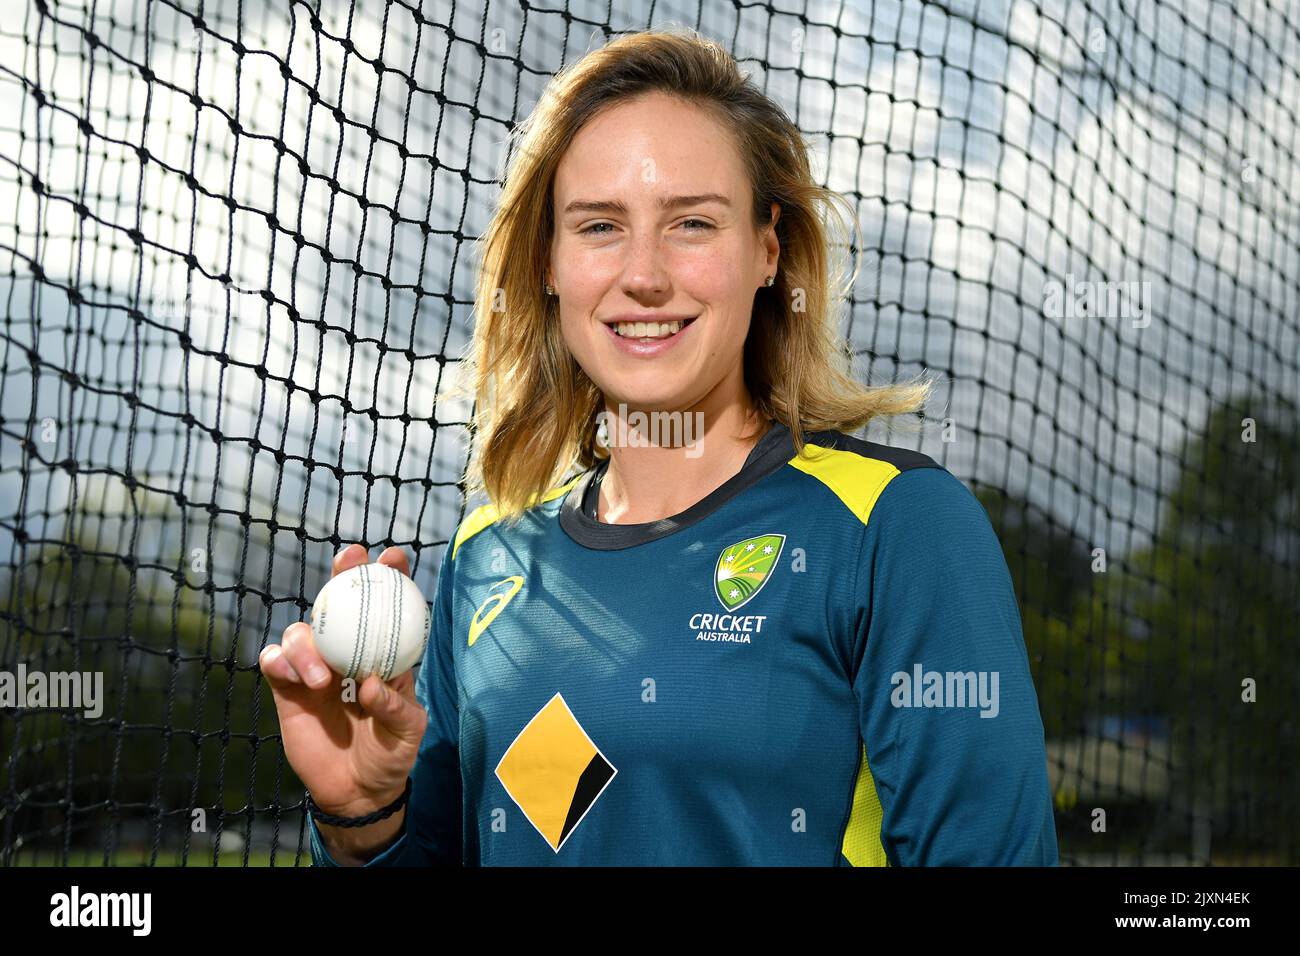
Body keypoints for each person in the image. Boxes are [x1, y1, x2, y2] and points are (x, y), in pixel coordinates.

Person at [260, 27, 1058, 866]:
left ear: (766, 250)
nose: (644, 274)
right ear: (550, 264)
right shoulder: (486, 552)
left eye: (692, 223)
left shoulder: (896, 529)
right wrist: (362, 816)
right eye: (600, 225)